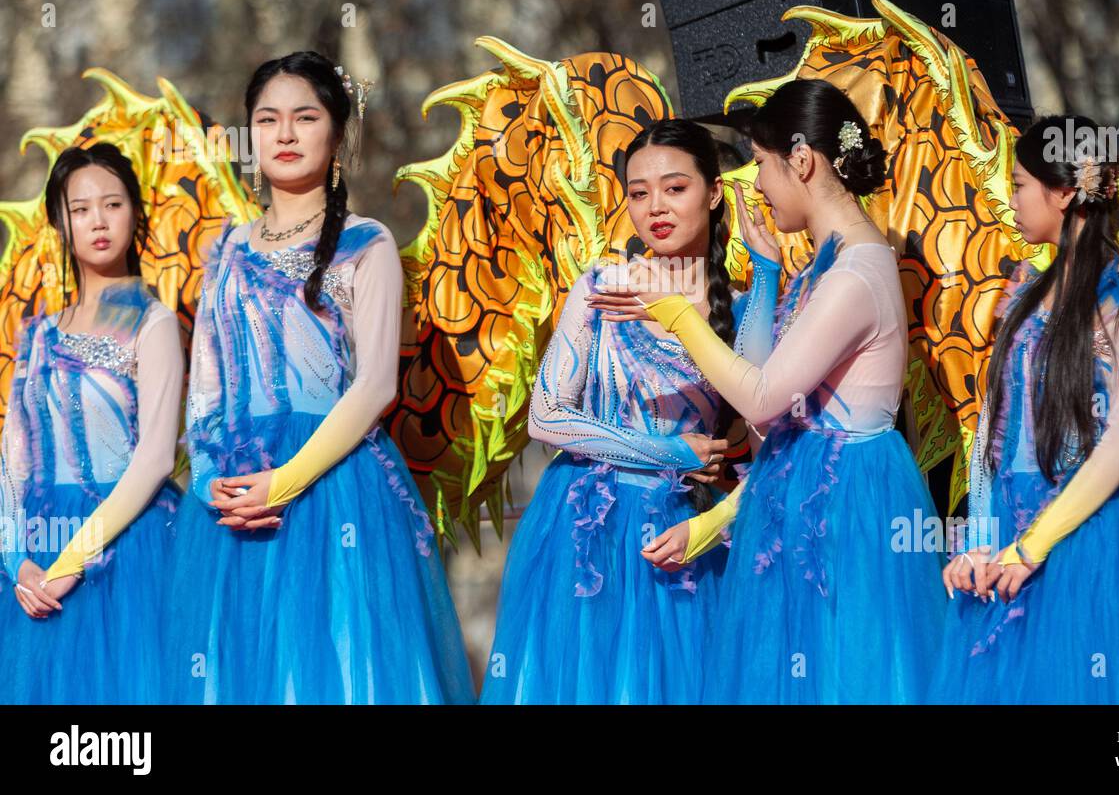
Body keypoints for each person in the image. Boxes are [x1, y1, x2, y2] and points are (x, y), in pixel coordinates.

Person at [596, 79, 947, 703]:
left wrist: (677, 313)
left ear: (802, 161)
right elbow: (762, 397)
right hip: (802, 489)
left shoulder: (859, 271)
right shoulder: (828, 264)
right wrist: (763, 273)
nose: (754, 184)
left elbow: (761, 399)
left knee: (844, 677)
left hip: (846, 502)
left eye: (760, 164)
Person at [167, 51, 474, 703]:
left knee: (337, 671)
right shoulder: (224, 247)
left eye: (303, 117)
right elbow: (208, 387)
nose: (283, 134)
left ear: (335, 133)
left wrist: (285, 482)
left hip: (335, 487)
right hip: (232, 497)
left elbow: (374, 388)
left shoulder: (367, 242)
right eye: (267, 119)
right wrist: (211, 486)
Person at [480, 118, 781, 703]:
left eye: (675, 188)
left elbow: (767, 415)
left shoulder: (743, 304)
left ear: (714, 193)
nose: (655, 207)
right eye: (638, 193)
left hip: (686, 530)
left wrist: (767, 271)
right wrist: (666, 449)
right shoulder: (602, 285)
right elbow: (545, 416)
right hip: (589, 524)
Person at [929, 115, 1119, 704]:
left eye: (1018, 184)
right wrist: (981, 537)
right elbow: (995, 426)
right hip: (1013, 528)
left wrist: (1035, 544)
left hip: (1095, 534)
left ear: (1063, 193)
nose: (1009, 200)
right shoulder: (1026, 289)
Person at [0, 143, 183, 703]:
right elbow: (12, 457)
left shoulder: (155, 325)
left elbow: (154, 459)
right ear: (61, 222)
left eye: (113, 204)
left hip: (129, 547)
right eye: (80, 209)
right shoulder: (35, 333)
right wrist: (16, 562)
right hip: (34, 555)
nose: (98, 221)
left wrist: (72, 561)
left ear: (136, 214)